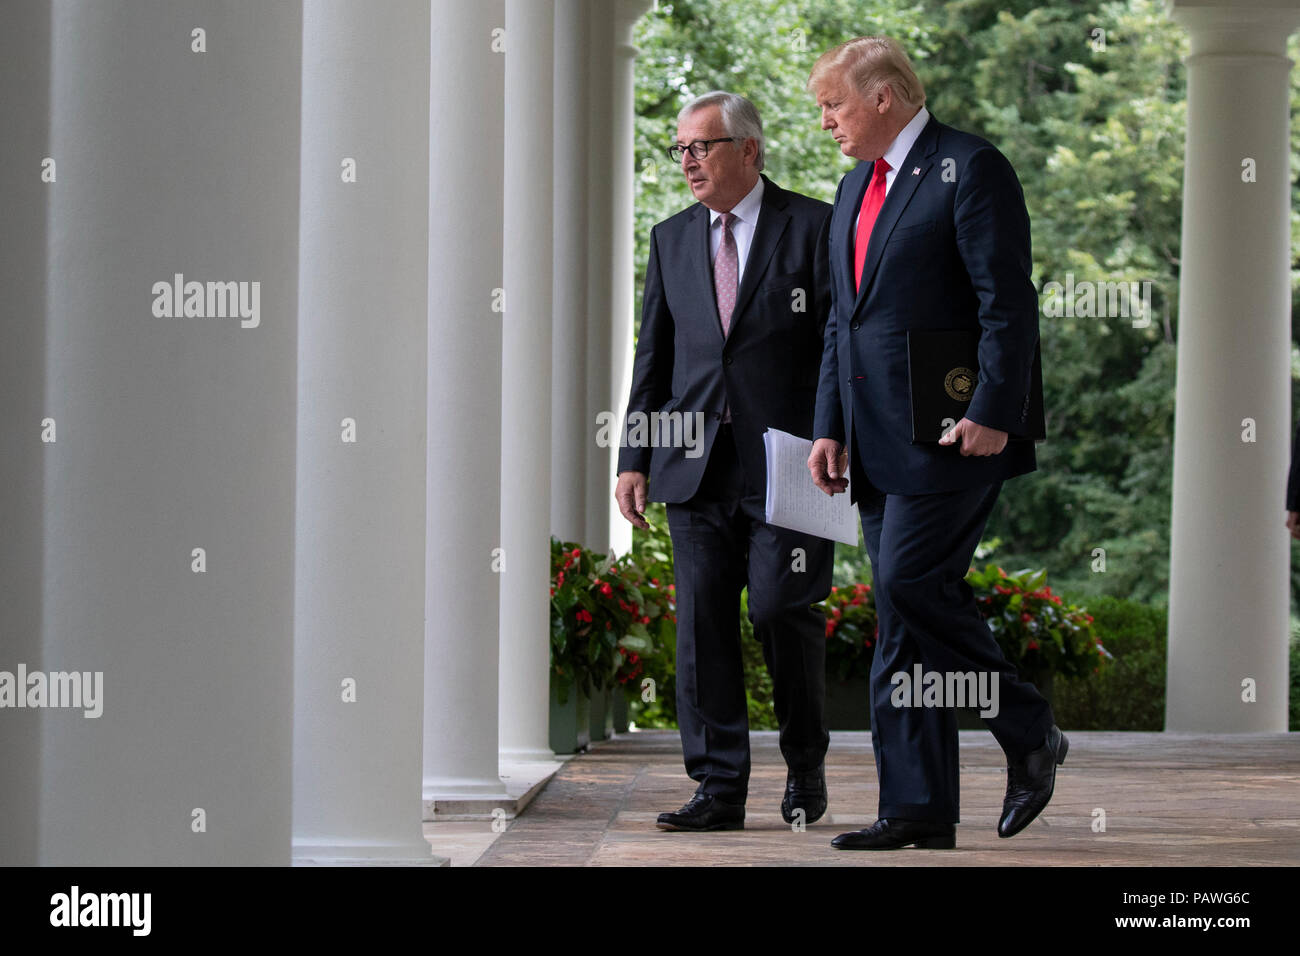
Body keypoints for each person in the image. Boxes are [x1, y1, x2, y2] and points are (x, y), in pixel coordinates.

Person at [804, 36, 1067, 850]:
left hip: (956, 433)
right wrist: (827, 426)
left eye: (834, 105)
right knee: (899, 615)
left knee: (914, 582)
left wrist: (994, 405)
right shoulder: (852, 188)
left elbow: (1007, 302)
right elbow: (841, 324)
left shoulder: (971, 167)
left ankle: (1027, 728)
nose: (826, 124)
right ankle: (916, 807)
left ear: (885, 97)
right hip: (873, 440)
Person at [615, 91, 835, 832]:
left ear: (749, 150)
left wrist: (839, 437)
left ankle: (805, 767)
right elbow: (654, 357)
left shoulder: (816, 226)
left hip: (796, 461)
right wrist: (633, 456)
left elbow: (839, 343)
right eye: (679, 149)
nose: (687, 161)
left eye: (701, 146)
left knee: (783, 611)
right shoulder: (671, 238)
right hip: (691, 463)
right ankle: (718, 788)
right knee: (703, 626)